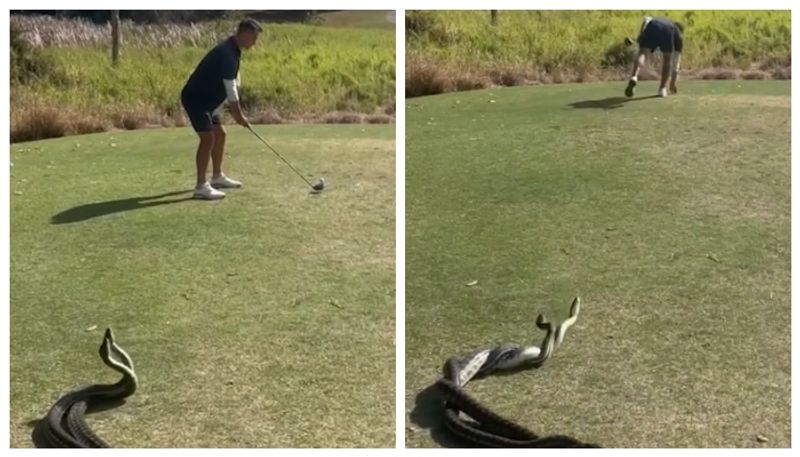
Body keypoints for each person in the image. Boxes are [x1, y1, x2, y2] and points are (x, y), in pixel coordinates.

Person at [181, 18, 262, 200]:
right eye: (254, 38)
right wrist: (238, 115)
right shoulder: (227, 53)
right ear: (245, 34)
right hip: (197, 100)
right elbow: (230, 87)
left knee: (220, 134)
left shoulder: (233, 50)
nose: (255, 42)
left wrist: (236, 113)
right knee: (208, 138)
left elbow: (232, 82)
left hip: (208, 102)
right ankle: (201, 186)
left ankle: (217, 177)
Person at [625, 16, 683, 98]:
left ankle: (634, 76)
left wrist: (641, 35)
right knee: (667, 60)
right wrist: (672, 84)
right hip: (667, 31)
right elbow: (675, 67)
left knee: (643, 54)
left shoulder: (662, 20)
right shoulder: (678, 38)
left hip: (653, 25)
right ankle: (662, 89)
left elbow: (646, 20)